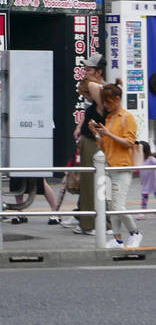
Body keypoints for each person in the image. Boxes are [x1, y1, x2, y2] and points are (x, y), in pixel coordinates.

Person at [91, 83, 142, 249]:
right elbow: (104, 145)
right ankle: (117, 238)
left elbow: (128, 143)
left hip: (121, 167)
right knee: (110, 204)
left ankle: (135, 233)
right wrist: (97, 134)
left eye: (108, 101)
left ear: (117, 99)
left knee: (118, 205)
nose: (105, 105)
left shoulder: (127, 118)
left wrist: (108, 134)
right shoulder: (109, 118)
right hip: (108, 166)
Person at [72, 53, 106, 236]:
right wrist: (79, 126)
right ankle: (89, 221)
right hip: (90, 137)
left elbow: (101, 110)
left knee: (91, 181)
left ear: (99, 71)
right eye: (85, 69)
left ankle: (89, 224)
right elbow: (89, 111)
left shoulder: (98, 87)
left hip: (95, 140)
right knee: (91, 181)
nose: (86, 72)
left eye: (89, 69)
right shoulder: (98, 87)